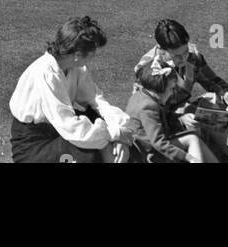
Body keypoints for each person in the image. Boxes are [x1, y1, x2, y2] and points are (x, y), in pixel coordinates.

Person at [9, 15, 135, 163]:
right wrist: (114, 134)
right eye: (92, 55)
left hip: (58, 132)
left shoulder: (76, 68)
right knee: (87, 154)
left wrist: (120, 132)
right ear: (77, 55)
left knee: (109, 143)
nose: (92, 59)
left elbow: (96, 100)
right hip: (33, 144)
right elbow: (68, 125)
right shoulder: (45, 74)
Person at [136, 19, 228, 163]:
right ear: (161, 50)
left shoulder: (193, 57)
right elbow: (146, 112)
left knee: (213, 108)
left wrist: (227, 95)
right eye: (176, 56)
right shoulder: (148, 69)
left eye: (185, 52)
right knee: (206, 112)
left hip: (185, 112)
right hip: (161, 125)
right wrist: (179, 118)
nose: (183, 58)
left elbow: (213, 82)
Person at [125, 54, 217, 163]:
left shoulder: (142, 95)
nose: (173, 93)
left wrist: (181, 118)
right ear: (161, 87)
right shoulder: (148, 106)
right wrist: (188, 157)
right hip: (149, 152)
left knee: (216, 120)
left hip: (172, 125)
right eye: (172, 89)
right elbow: (159, 142)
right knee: (200, 132)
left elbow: (163, 116)